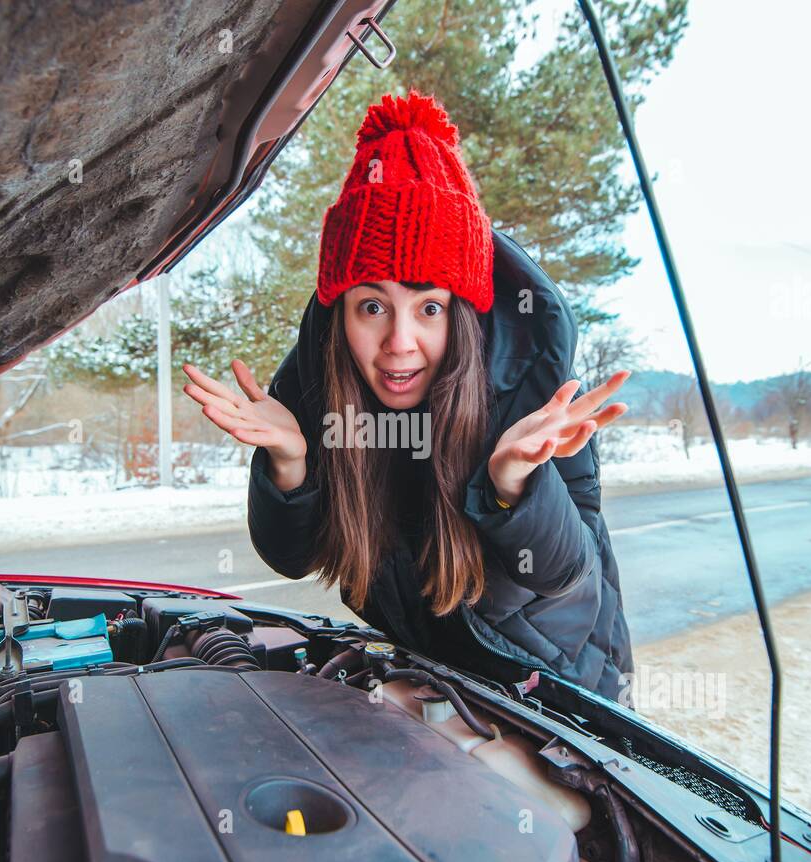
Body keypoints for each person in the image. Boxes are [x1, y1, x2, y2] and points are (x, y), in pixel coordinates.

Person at [182, 90, 634, 701]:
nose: (400, 342)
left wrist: (514, 487)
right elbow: (292, 559)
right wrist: (290, 464)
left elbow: (565, 572)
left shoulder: (530, 388)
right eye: (373, 306)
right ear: (340, 315)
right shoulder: (323, 388)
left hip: (551, 688)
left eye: (428, 307)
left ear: (462, 317)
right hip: (426, 679)